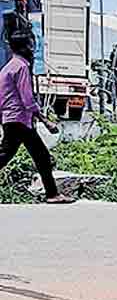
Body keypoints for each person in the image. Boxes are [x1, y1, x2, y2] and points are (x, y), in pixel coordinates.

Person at [0, 25, 73, 203]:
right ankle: (52, 194)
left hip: (11, 119)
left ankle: (52, 194)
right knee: (40, 156)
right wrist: (45, 121)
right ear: (25, 46)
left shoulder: (8, 67)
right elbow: (27, 99)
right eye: (31, 44)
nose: (33, 48)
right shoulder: (21, 67)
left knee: (8, 155)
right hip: (19, 120)